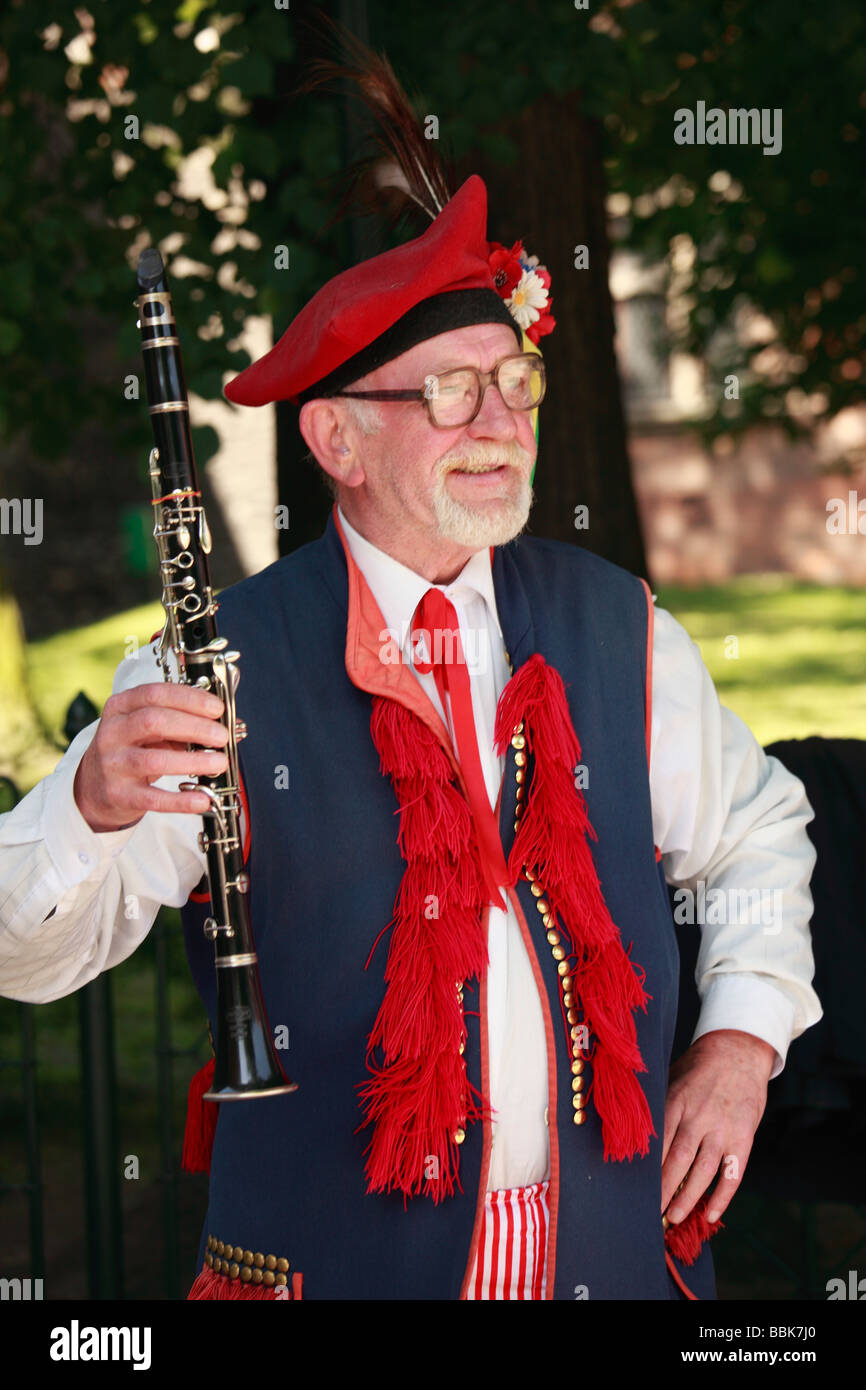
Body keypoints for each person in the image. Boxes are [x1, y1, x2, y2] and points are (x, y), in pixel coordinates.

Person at [0, 144, 820, 1300]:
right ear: (339, 441)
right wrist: (87, 806)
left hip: (606, 1266)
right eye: (447, 391)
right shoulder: (210, 662)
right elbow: (26, 956)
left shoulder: (617, 626)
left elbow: (755, 836)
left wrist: (740, 1042)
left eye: (513, 381)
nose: (498, 420)